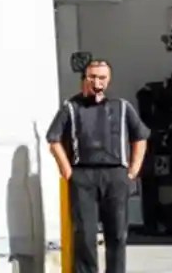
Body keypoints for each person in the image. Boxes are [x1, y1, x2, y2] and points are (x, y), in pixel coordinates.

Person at [45, 59, 150, 273]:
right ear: (84, 79)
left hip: (116, 175)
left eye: (102, 77)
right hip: (83, 175)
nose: (97, 82)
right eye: (92, 77)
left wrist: (133, 170)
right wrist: (67, 170)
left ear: (109, 80)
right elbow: (53, 139)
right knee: (84, 233)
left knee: (118, 234)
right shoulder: (71, 107)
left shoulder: (121, 107)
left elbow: (140, 136)